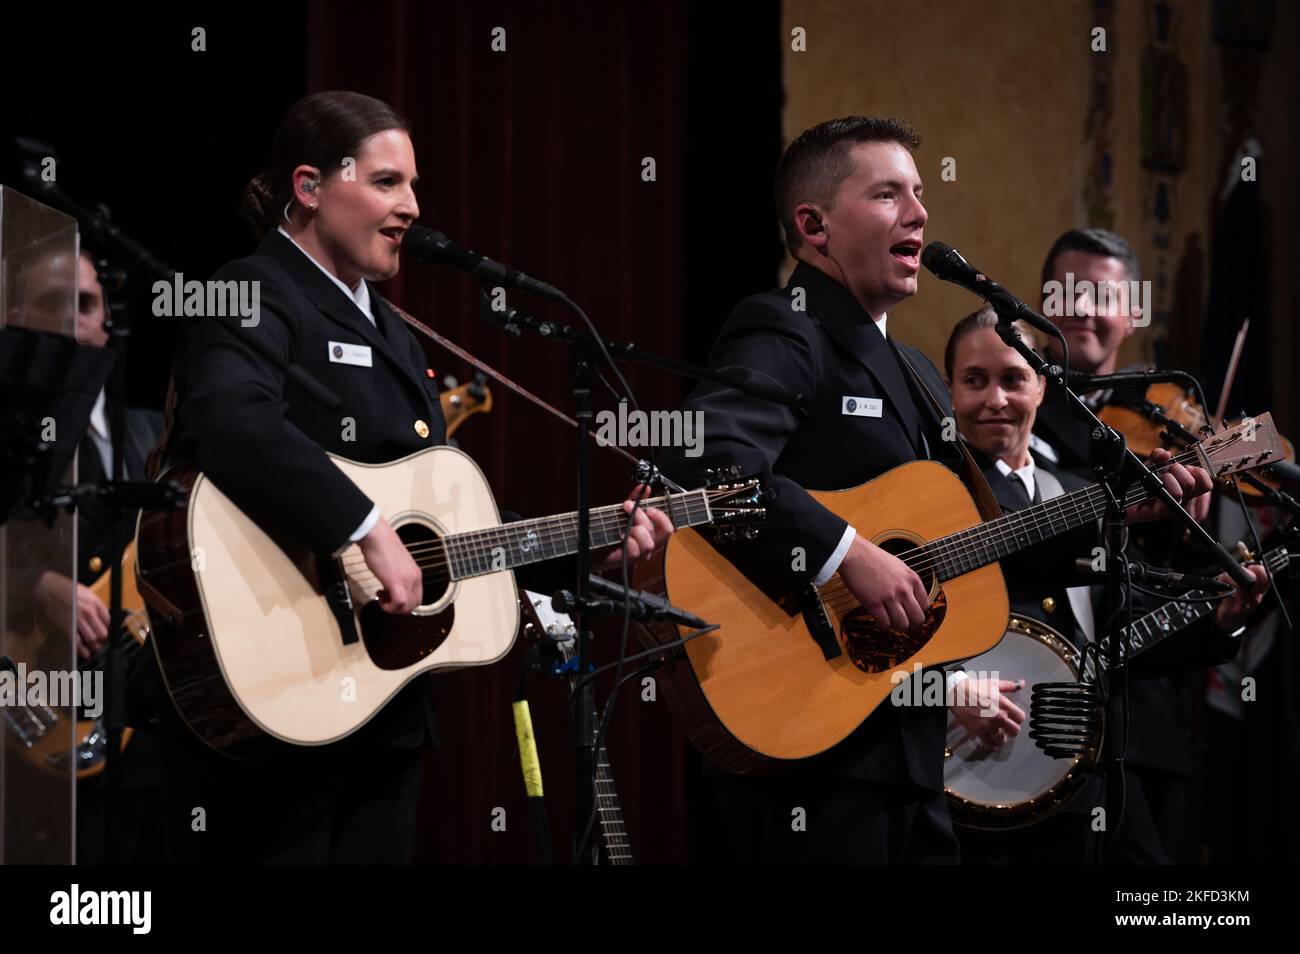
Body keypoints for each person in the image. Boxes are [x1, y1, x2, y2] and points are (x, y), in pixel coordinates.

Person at [660, 116, 1212, 864]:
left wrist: (1118, 513)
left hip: (912, 757)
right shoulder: (784, 327)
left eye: (919, 194)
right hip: (811, 748)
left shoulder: (918, 373)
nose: (920, 213)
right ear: (813, 224)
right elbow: (710, 462)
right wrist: (845, 552)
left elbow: (980, 555)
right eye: (888, 195)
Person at [151, 90, 672, 863]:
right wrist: (360, 526)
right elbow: (231, 421)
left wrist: (588, 548)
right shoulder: (253, 291)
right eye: (388, 183)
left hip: (382, 704)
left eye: (415, 186)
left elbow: (444, 543)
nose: (412, 208)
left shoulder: (391, 327)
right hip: (283, 684)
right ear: (309, 187)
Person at [944, 307, 1268, 863]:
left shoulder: (1071, 488)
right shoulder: (936, 490)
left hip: (1083, 767)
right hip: (975, 771)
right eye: (975, 381)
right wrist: (947, 687)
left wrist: (1221, 617)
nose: (995, 399)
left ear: (1043, 387)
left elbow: (1120, 626)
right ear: (948, 391)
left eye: (1013, 379)